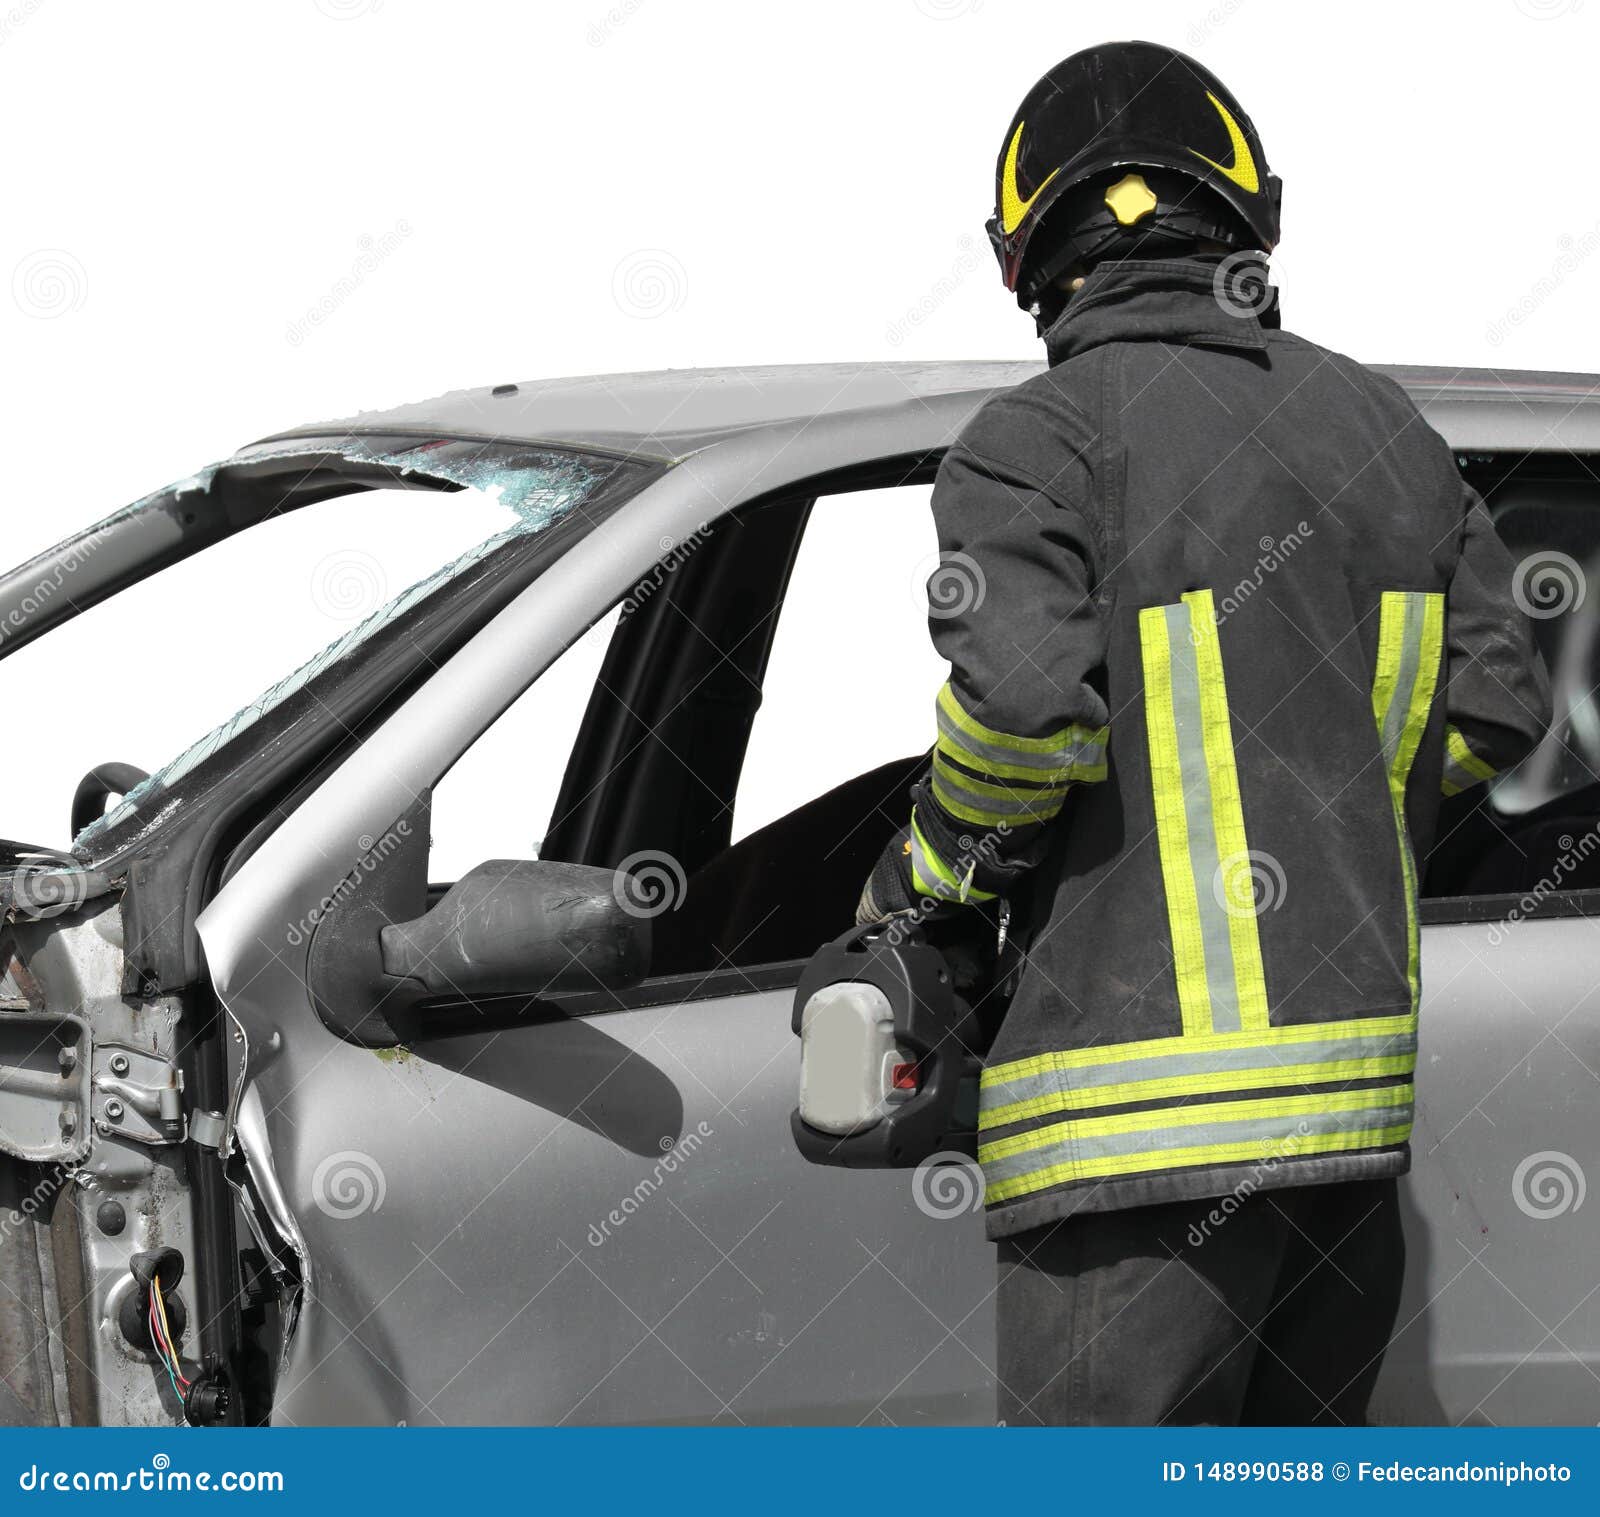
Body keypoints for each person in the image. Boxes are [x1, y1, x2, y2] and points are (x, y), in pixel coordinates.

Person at [856, 40, 1551, 1426]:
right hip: (1346, 1134)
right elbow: (1498, 703)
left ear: (1025, 258)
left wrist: (920, 884)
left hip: (1135, 1154)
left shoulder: (1031, 444)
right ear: (1249, 221)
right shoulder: (1384, 433)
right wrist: (1332, 797)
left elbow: (1026, 728)